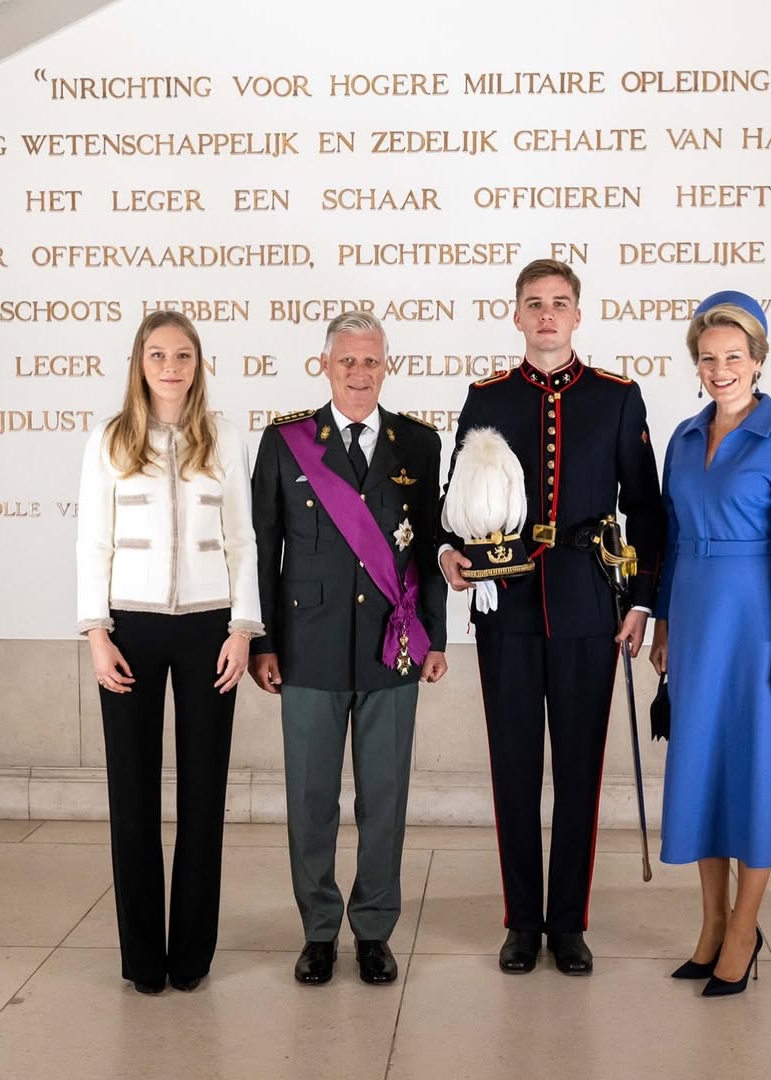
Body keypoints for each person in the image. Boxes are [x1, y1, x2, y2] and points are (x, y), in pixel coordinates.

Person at [440, 259, 666, 975]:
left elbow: (649, 514)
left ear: (577, 315)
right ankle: (521, 922)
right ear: (516, 315)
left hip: (587, 608)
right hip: (505, 609)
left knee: (578, 770)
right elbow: (459, 500)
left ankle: (568, 922)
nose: (547, 315)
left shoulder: (617, 399)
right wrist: (448, 551)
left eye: (559, 304)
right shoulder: (485, 398)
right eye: (534, 304)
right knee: (513, 769)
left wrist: (638, 601)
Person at [249, 310, 448, 986]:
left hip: (391, 651)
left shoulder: (417, 444)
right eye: (347, 362)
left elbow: (428, 546)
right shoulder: (285, 443)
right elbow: (263, 548)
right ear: (325, 366)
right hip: (306, 650)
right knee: (311, 799)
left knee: (384, 797)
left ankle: (373, 929)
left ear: (385, 366)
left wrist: (436, 638)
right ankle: (318, 930)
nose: (359, 374)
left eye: (371, 362)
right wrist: (263, 644)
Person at [76, 310, 263, 995]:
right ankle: (141, 961)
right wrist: (96, 633)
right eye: (159, 355)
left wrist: (243, 630)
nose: (172, 367)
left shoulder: (225, 437)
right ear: (140, 363)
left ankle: (190, 957)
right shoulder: (109, 440)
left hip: (209, 631)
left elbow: (244, 541)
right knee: (131, 796)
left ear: (198, 364)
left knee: (204, 795)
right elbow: (91, 544)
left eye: (184, 355)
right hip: (129, 629)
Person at [649, 290, 771, 997]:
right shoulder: (685, 437)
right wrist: (663, 622)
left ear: (757, 360)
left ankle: (746, 928)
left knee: (752, 774)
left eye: (733, 357)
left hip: (757, 627)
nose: (720, 369)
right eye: (708, 358)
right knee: (702, 773)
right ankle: (710, 924)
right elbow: (667, 541)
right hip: (694, 621)